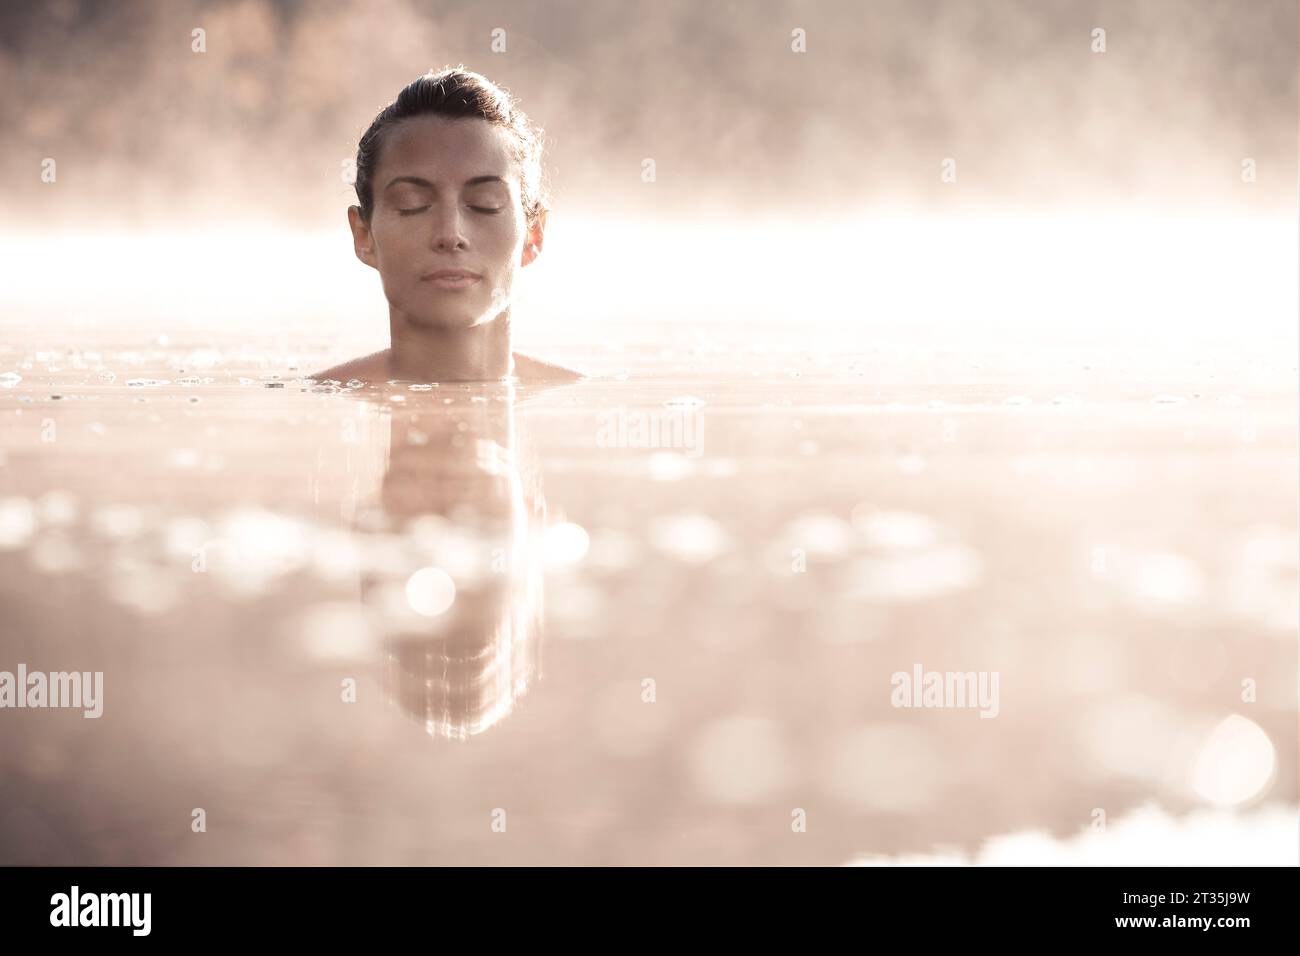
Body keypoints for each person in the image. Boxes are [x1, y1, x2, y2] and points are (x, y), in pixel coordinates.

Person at [313, 67, 583, 385]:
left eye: (486, 203)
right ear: (364, 236)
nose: (450, 235)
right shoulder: (308, 412)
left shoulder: (584, 414)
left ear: (533, 234)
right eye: (411, 203)